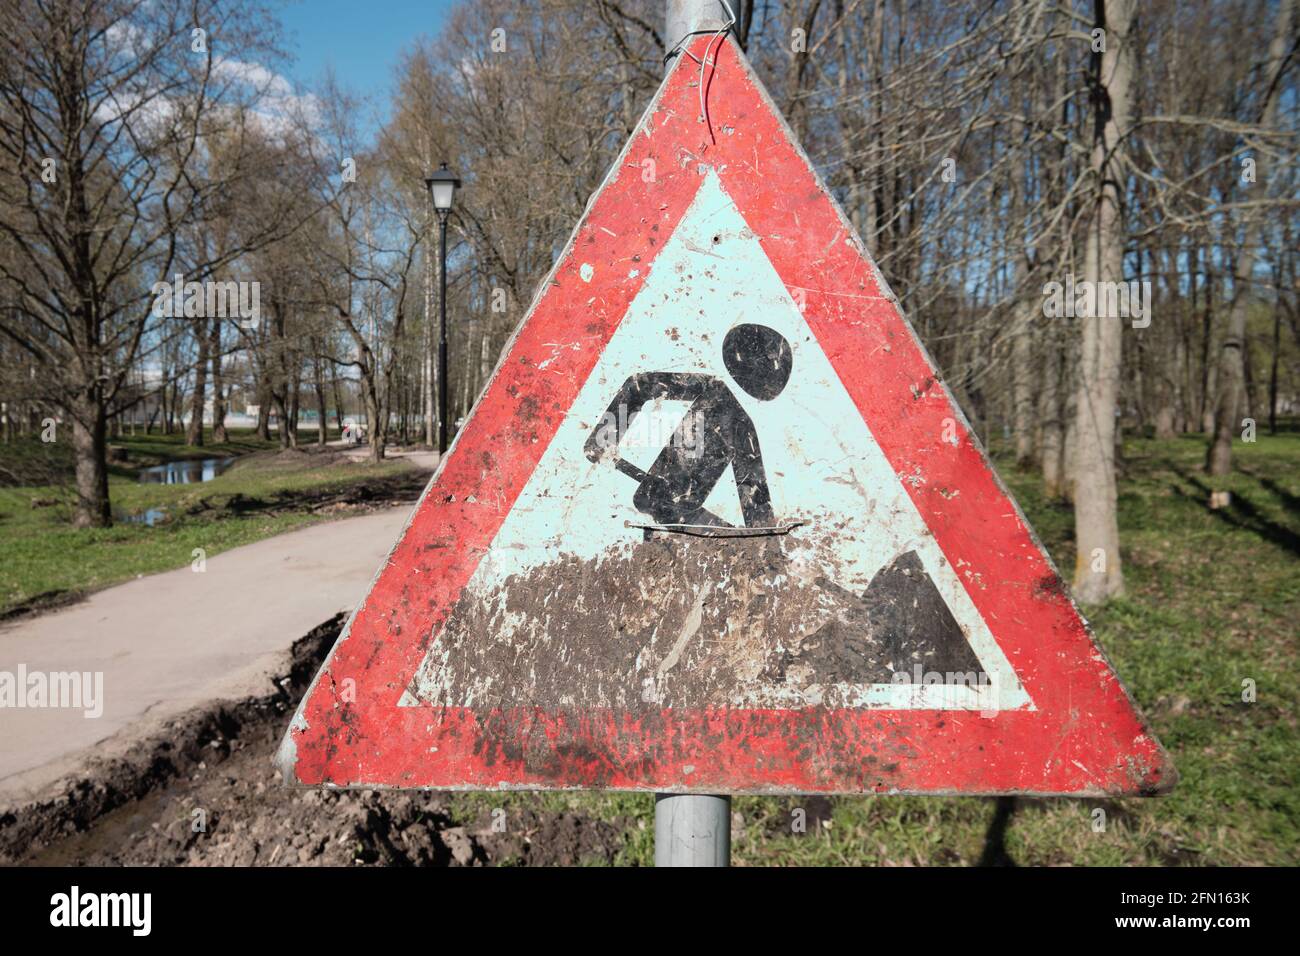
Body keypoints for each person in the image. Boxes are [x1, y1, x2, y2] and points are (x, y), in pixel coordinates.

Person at [584, 323, 792, 528]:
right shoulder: (713, 391)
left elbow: (757, 509)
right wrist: (602, 438)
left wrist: (760, 547)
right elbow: (639, 386)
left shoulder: (743, 425)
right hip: (667, 507)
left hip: (681, 517)